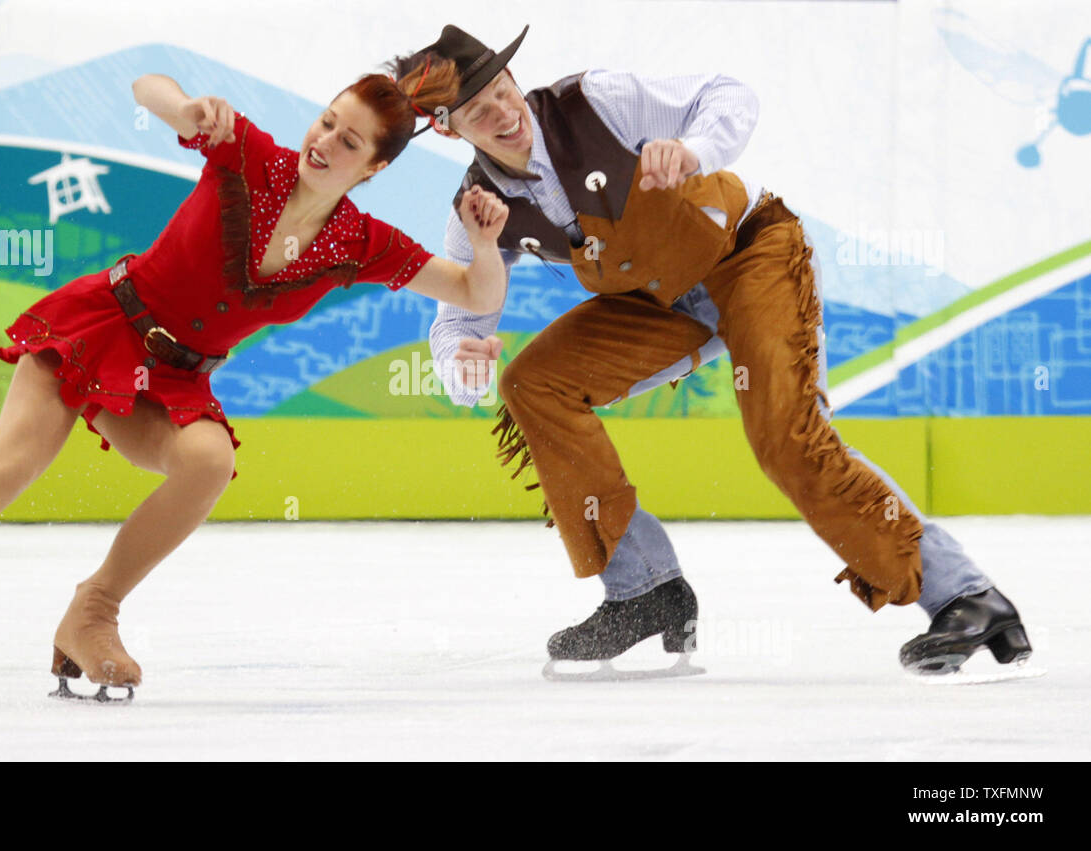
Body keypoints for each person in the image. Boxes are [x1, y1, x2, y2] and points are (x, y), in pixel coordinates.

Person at [0, 64, 510, 705]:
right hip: (102, 323)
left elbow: (473, 290)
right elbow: (145, 85)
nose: (326, 141)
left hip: (172, 378)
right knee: (10, 465)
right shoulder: (250, 157)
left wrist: (483, 246)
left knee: (210, 460)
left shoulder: (359, 243)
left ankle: (91, 614)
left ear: (375, 166)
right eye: (328, 121)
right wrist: (185, 106)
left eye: (350, 139)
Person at [394, 24, 1033, 678]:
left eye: (503, 90)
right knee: (532, 383)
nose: (504, 112)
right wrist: (462, 367)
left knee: (787, 437)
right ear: (450, 129)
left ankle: (965, 594)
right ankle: (643, 590)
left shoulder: (595, 101)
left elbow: (729, 95)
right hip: (659, 303)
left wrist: (693, 149)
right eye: (479, 110)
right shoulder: (478, 207)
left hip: (749, 256)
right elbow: (460, 319)